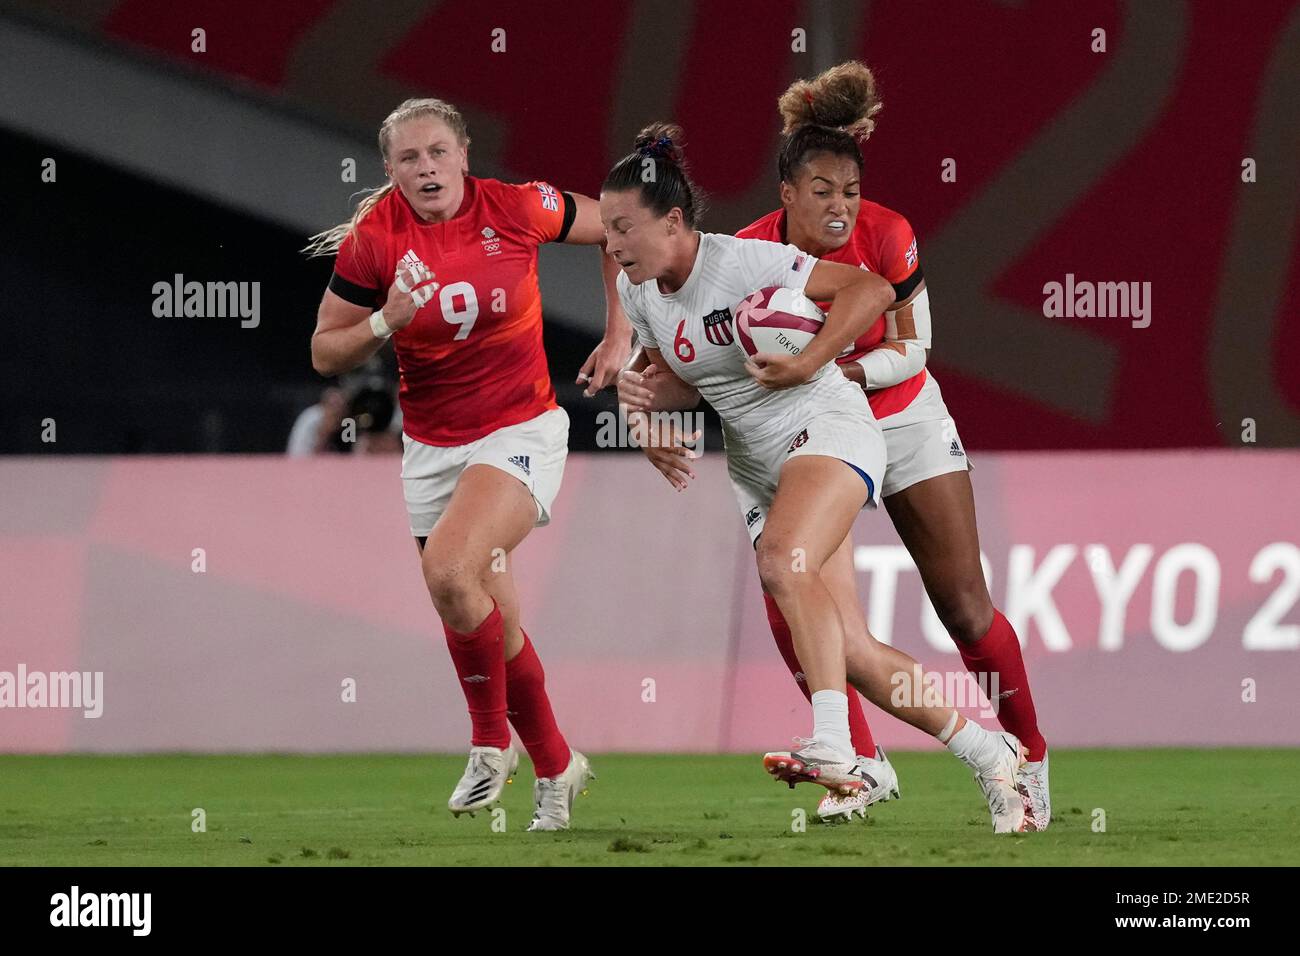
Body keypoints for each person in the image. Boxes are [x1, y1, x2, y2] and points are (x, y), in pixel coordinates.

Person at [618, 63, 1050, 830]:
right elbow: (680, 374)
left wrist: (817, 362)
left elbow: (893, 320)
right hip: (768, 448)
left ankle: (1003, 751)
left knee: (952, 601)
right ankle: (967, 755)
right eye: (823, 191)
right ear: (787, 194)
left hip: (873, 413)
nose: (840, 206)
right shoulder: (643, 287)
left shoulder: (763, 260)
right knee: (838, 636)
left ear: (675, 220)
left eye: (846, 190)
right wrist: (646, 413)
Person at [306, 97, 632, 830]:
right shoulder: (373, 241)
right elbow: (326, 352)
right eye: (410, 158)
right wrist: (386, 319)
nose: (427, 168)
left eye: (438, 153)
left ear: (464, 154)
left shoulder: (516, 208)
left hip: (519, 430)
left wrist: (620, 334)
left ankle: (490, 745)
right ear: (389, 170)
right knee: (489, 618)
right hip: (431, 448)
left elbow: (618, 225)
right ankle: (557, 767)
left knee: (450, 571)